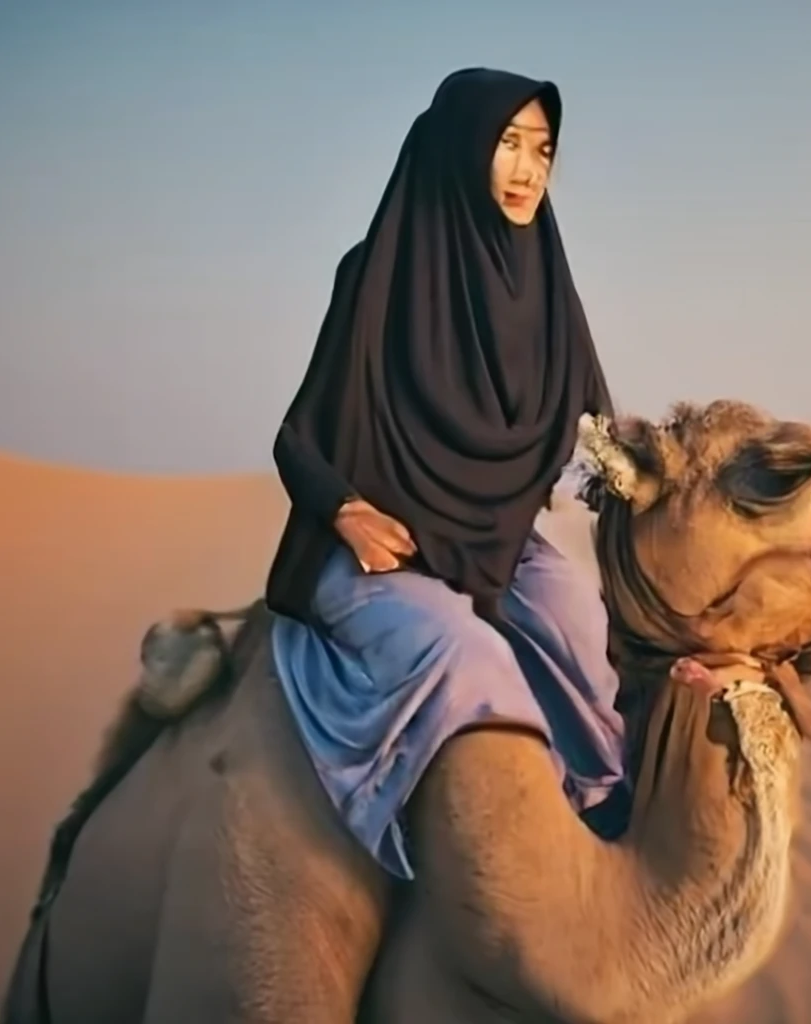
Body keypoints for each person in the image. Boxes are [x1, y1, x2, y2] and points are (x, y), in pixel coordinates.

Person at [266, 67, 627, 882]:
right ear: (460, 152)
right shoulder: (376, 273)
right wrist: (346, 510)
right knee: (470, 654)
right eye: (508, 145)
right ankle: (447, 870)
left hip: (490, 537)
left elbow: (595, 433)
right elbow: (296, 438)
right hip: (376, 536)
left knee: (577, 617)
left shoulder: (544, 286)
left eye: (543, 149)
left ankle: (593, 812)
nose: (531, 170)